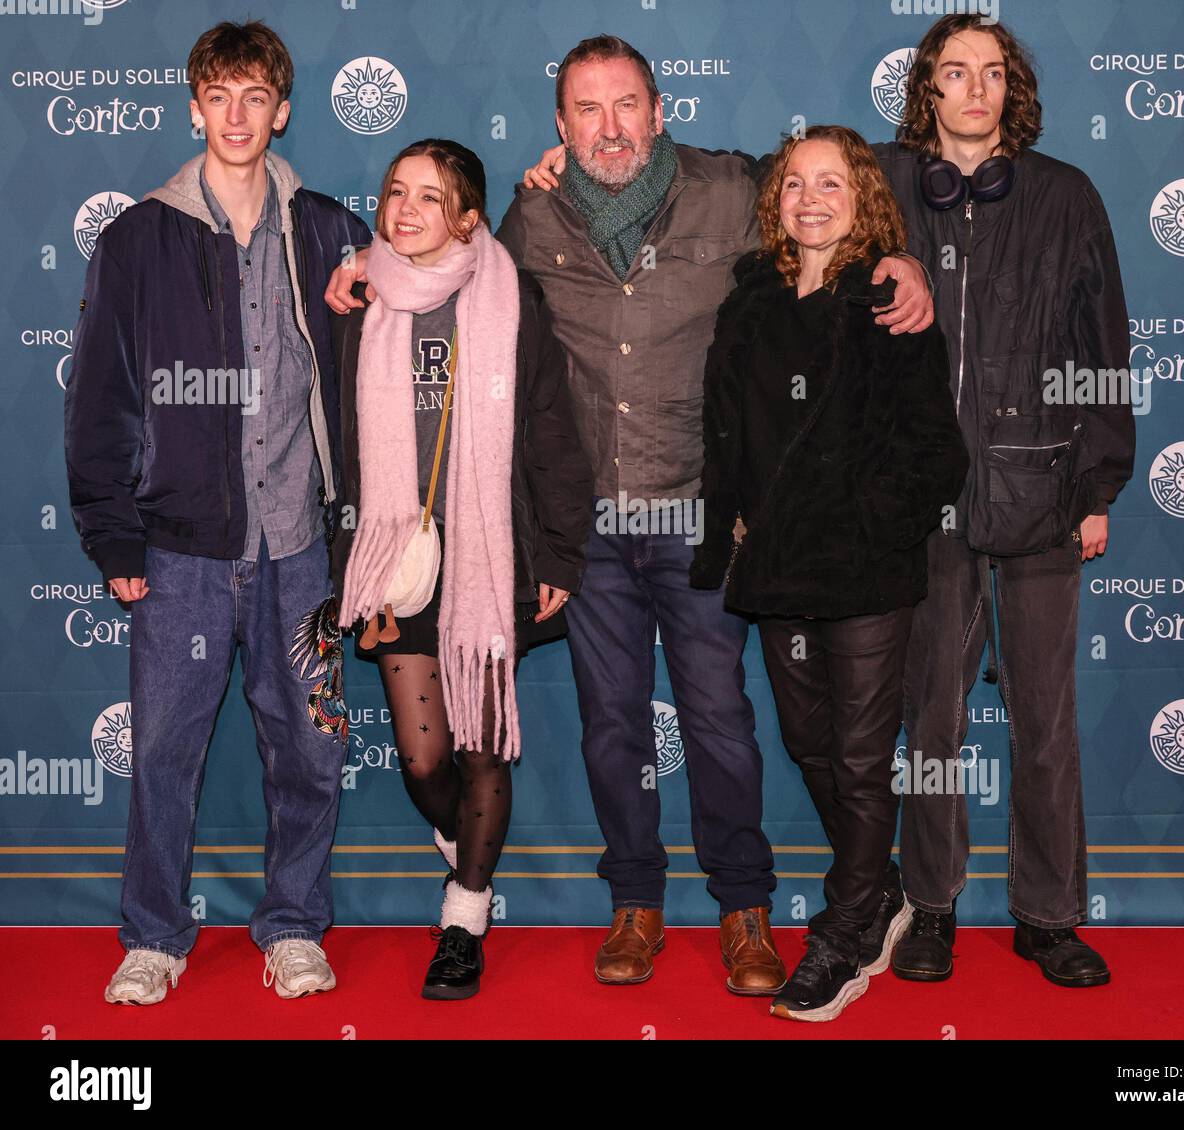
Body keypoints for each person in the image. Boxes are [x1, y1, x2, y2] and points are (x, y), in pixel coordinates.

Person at [329, 34, 935, 995]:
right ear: (560, 125)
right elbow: (439, 250)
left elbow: (839, 190)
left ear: (660, 112)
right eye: (586, 110)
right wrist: (363, 266)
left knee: (720, 723)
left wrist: (899, 252)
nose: (608, 128)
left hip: (701, 514)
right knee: (611, 727)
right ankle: (636, 907)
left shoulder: (737, 189)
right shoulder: (530, 214)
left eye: (625, 106)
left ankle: (743, 908)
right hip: (589, 533)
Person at [65, 21, 372, 1005]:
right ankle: (154, 932)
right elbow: (100, 397)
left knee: (314, 739)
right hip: (180, 547)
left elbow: (381, 364)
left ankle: (291, 920)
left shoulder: (329, 229)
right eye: (219, 97)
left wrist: (357, 523)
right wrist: (112, 529)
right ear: (194, 106)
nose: (236, 116)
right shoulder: (137, 238)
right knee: (161, 748)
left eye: (256, 98)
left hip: (302, 549)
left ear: (281, 110)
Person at [872, 14, 1136, 986]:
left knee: (1044, 716)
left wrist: (1096, 484)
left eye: (991, 73)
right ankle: (930, 905)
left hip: (1044, 492)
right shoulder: (884, 189)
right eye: (954, 71)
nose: (974, 89)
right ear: (927, 89)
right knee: (930, 718)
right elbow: (775, 208)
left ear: (1010, 88)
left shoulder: (1066, 195)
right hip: (920, 506)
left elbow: (1102, 350)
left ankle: (1048, 913)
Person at [692, 126, 968, 1021]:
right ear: (775, 200)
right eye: (794, 184)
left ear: (864, 200)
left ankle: (847, 931)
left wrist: (867, 526)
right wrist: (729, 527)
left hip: (864, 571)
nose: (809, 199)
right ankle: (878, 884)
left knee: (857, 757)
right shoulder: (752, 301)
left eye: (832, 184)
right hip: (777, 570)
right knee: (812, 744)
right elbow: (727, 436)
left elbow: (937, 451)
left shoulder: (887, 296)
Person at [329, 138, 592, 999]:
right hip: (400, 560)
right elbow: (341, 452)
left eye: (429, 198)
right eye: (394, 192)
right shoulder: (359, 297)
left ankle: (464, 919)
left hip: (494, 553)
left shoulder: (513, 300)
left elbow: (554, 432)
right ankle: (466, 844)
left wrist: (557, 549)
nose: (403, 211)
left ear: (469, 217)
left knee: (482, 754)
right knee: (422, 759)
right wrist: (349, 564)